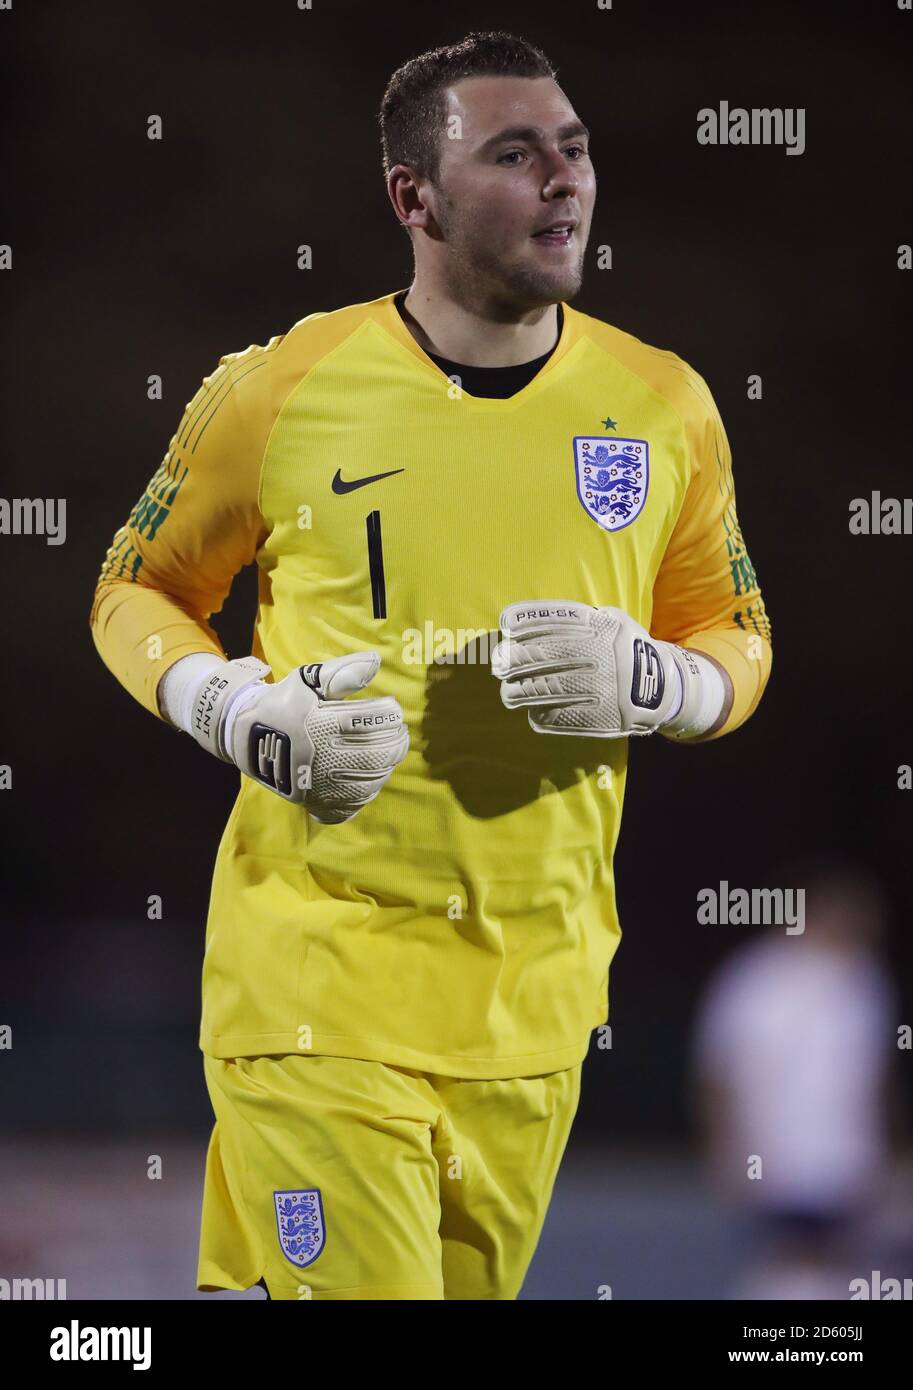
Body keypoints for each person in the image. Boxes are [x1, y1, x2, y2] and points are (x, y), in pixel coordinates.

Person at [89, 30, 772, 1300]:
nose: (563, 179)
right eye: (514, 155)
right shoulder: (282, 388)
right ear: (415, 198)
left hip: (538, 1004)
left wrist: (665, 688)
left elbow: (734, 630)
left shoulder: (664, 403)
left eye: (572, 149)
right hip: (319, 991)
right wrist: (226, 702)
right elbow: (135, 586)